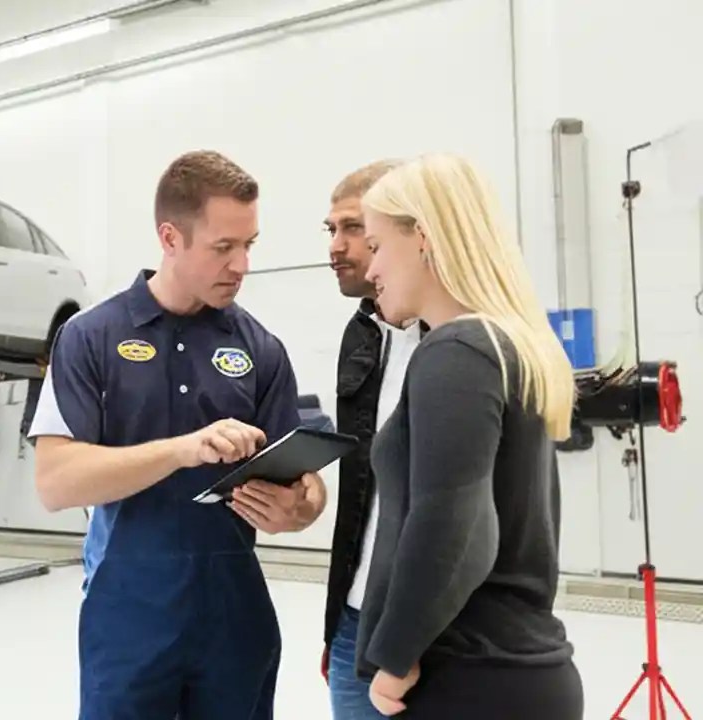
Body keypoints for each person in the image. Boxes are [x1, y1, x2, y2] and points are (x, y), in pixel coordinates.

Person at [29, 149, 328, 719]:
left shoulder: (260, 348)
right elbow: (55, 483)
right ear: (170, 237)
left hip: (235, 618)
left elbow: (306, 484)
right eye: (224, 247)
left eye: (249, 245)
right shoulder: (89, 338)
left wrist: (300, 506)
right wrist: (182, 449)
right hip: (128, 617)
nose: (241, 264)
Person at [353, 153, 584, 719]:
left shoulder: (455, 351)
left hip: (469, 678)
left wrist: (395, 659)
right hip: (521, 670)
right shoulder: (512, 346)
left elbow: (455, 521)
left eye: (378, 246)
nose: (370, 269)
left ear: (425, 238)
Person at [318, 159, 424, 720]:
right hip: (355, 624)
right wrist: (335, 621)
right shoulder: (359, 334)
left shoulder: (462, 341)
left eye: (355, 229)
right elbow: (360, 494)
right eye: (330, 230)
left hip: (432, 632)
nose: (337, 245)